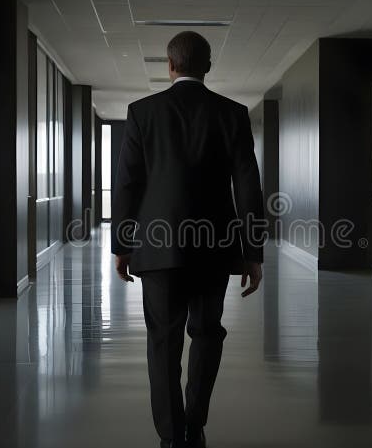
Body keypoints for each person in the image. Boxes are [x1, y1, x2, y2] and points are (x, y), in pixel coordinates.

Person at [111, 30, 265, 448]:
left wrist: (122, 245)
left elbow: (127, 184)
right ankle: (195, 424)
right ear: (208, 66)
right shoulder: (232, 113)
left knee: (163, 341)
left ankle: (170, 436)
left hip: (157, 249)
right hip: (215, 248)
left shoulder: (142, 112)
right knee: (206, 333)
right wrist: (253, 252)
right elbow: (248, 187)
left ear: (170, 64)